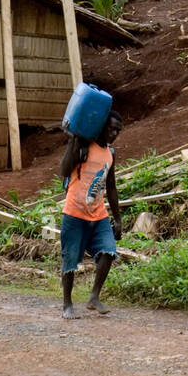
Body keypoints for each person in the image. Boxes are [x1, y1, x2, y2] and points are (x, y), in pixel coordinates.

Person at [58, 110, 123, 319]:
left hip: (98, 213)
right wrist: (73, 142)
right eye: (111, 128)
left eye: (117, 130)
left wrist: (118, 218)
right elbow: (64, 170)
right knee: (70, 260)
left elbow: (111, 186)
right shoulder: (84, 147)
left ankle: (94, 297)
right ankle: (67, 304)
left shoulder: (110, 153)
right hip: (74, 213)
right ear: (101, 126)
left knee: (108, 251)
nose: (114, 133)